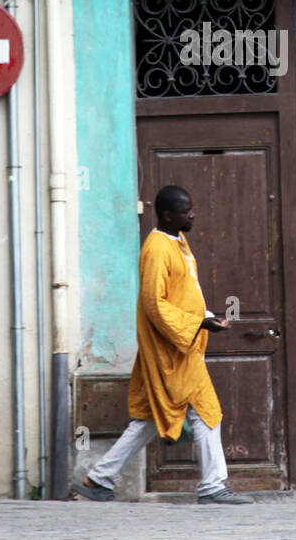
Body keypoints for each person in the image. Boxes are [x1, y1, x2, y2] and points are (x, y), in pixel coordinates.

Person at [77, 185, 253, 505]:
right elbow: (154, 305)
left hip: (177, 346)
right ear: (169, 215)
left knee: (148, 418)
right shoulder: (157, 248)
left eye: (192, 209)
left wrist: (207, 316)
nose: (193, 215)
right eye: (187, 211)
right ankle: (213, 486)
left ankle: (98, 478)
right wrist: (198, 324)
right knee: (206, 411)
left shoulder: (178, 242)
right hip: (171, 351)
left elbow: (182, 293)